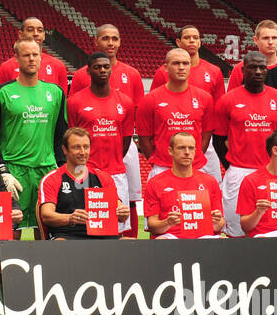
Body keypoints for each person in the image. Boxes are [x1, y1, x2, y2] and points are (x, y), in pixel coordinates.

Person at [0, 40, 66, 233]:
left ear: (41, 56)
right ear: (16, 58)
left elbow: (61, 135)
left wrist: (61, 168)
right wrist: (2, 169)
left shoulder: (56, 93)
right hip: (14, 171)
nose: (32, 58)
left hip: (46, 170)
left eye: (35, 54)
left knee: (47, 229)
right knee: (11, 230)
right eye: (26, 55)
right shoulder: (0, 93)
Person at [67, 24, 144, 234]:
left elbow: (129, 132)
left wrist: (115, 156)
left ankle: (129, 244)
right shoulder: (77, 94)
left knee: (125, 208)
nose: (111, 43)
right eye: (105, 38)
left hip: (118, 160)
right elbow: (74, 131)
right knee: (86, 219)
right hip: (86, 165)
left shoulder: (131, 78)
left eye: (115, 38)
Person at [211, 52, 277, 237]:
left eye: (262, 67)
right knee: (236, 230)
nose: (257, 71)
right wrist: (232, 165)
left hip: (273, 174)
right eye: (252, 67)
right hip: (239, 173)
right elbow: (218, 140)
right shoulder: (228, 100)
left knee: (273, 228)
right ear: (242, 70)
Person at [38, 127, 129, 240]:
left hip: (102, 235)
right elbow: (46, 216)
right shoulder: (52, 179)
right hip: (67, 235)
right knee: (61, 244)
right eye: (77, 147)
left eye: (86, 147)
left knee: (132, 244)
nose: (82, 152)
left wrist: (122, 213)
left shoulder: (103, 177)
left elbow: (118, 209)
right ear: (65, 150)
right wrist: (70, 218)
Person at [137, 47, 213, 180]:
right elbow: (144, 139)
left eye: (185, 63)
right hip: (162, 168)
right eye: (176, 63)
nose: (181, 67)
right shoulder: (150, 99)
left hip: (195, 168)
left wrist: (192, 157)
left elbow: (206, 134)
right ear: (166, 67)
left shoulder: (204, 98)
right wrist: (160, 161)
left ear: (190, 66)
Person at [142, 133, 225, 239]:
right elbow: (152, 225)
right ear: (170, 151)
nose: (187, 152)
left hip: (203, 237)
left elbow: (219, 224)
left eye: (191, 148)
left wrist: (216, 222)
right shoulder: (155, 183)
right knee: (162, 240)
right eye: (181, 148)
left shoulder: (210, 182)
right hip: (171, 237)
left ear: (195, 151)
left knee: (223, 241)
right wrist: (168, 222)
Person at [226, 19, 277, 107]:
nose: (270, 42)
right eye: (266, 38)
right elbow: (230, 102)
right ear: (256, 40)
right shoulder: (240, 68)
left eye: (274, 38)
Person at [0, 17, 69, 89]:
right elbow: (0, 97)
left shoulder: (58, 66)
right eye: (30, 30)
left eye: (40, 30)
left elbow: (61, 99)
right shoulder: (6, 67)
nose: (36, 33)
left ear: (44, 35)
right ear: (21, 34)